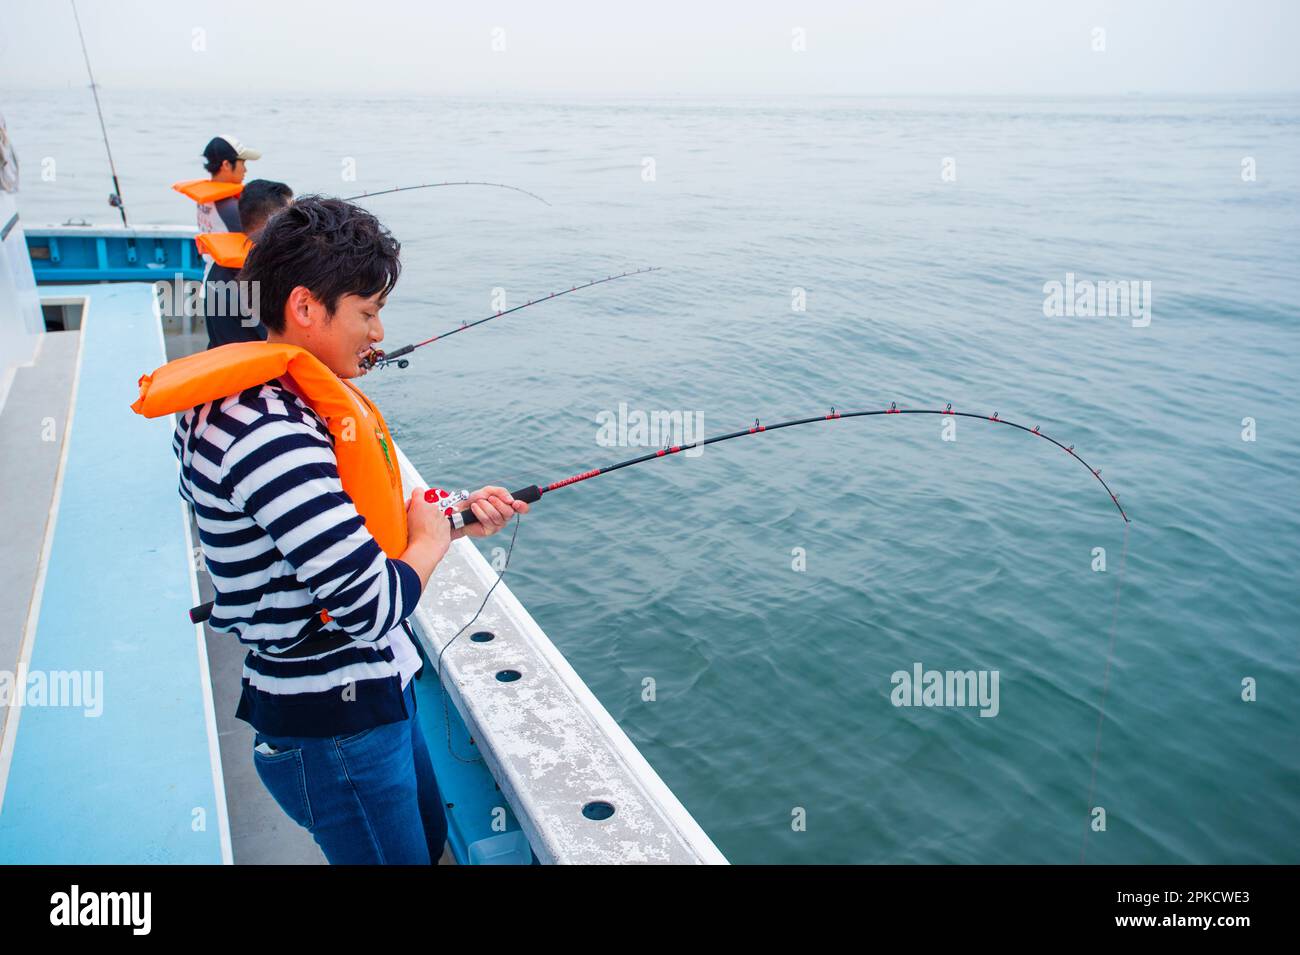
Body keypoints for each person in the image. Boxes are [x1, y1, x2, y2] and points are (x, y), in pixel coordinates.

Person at [131, 197, 528, 864]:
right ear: (306, 307)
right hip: (336, 730)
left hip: (374, 699)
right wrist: (430, 542)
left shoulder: (275, 402)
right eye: (367, 312)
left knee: (429, 849)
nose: (378, 331)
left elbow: (338, 528)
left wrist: (453, 517)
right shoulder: (266, 431)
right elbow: (373, 606)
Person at [201, 179, 293, 348]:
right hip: (256, 370)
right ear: (274, 221)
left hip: (223, 359)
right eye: (291, 217)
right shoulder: (259, 276)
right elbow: (282, 343)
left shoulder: (219, 264)